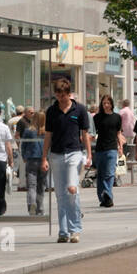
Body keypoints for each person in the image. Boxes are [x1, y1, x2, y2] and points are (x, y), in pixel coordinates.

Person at [42, 78, 92, 243]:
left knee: (72, 189)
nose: (61, 98)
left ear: (69, 94)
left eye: (64, 95)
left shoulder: (80, 110)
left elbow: (85, 134)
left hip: (74, 153)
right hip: (56, 154)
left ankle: (75, 229)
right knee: (60, 194)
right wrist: (44, 157)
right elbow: (48, 135)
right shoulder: (51, 111)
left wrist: (89, 155)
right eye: (58, 95)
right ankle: (63, 231)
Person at [91, 95, 124, 208]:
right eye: (104, 103)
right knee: (100, 174)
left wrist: (121, 147)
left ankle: (108, 195)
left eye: (108, 103)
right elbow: (92, 132)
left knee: (110, 174)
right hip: (100, 149)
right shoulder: (97, 117)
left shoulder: (117, 117)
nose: (106, 105)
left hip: (112, 148)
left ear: (111, 104)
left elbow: (118, 133)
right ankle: (102, 197)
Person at [20, 112, 47, 215]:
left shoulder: (28, 131)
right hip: (44, 160)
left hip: (31, 159)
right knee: (41, 186)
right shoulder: (47, 132)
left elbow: (24, 145)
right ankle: (40, 208)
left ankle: (32, 204)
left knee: (31, 185)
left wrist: (24, 156)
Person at [119, 99, 136, 165]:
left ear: (123, 104)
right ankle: (129, 164)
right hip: (131, 132)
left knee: (122, 148)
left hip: (124, 132)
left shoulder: (122, 111)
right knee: (130, 148)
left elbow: (118, 120)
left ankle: (122, 164)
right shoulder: (131, 112)